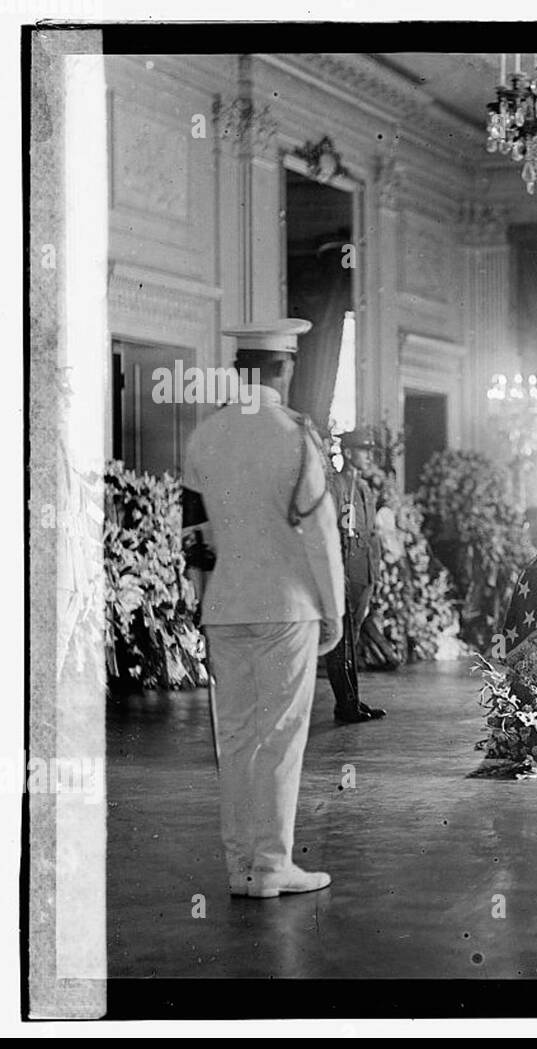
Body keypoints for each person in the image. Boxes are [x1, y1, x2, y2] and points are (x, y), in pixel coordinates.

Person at [182, 319, 345, 897]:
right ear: (286, 368)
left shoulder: (204, 437)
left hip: (224, 607)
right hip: (288, 607)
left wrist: (205, 606)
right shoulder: (295, 434)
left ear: (236, 370)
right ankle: (272, 867)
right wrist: (336, 610)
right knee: (279, 738)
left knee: (236, 740)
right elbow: (321, 532)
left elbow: (195, 537)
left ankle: (240, 867)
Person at [327, 428, 388, 724]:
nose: (368, 456)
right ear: (348, 453)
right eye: (363, 450)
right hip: (342, 569)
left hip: (362, 570)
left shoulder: (364, 488)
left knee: (354, 637)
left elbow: (372, 534)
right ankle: (345, 703)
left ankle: (353, 699)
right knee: (342, 639)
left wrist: (374, 574)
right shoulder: (336, 485)